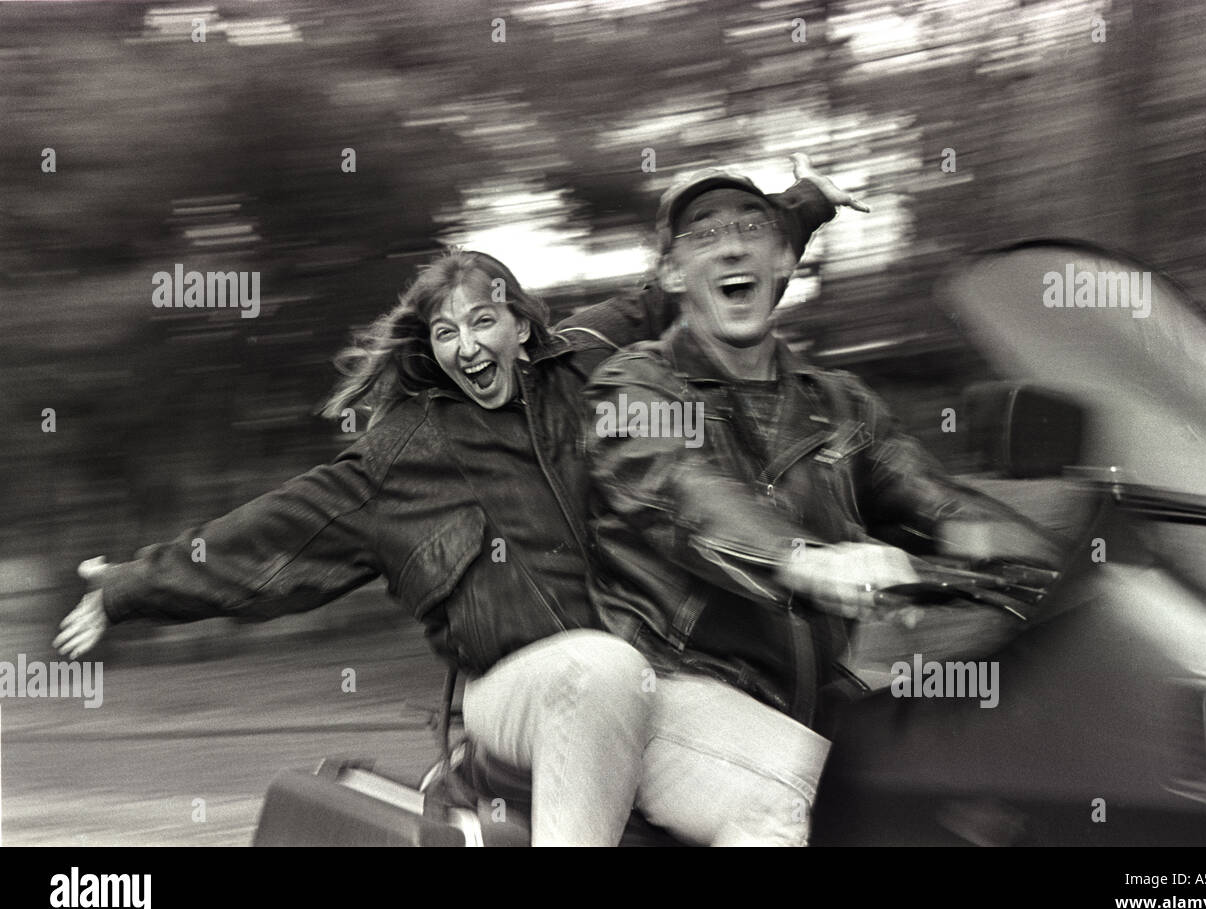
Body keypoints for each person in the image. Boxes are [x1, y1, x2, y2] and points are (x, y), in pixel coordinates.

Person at [55, 158, 866, 845]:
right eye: (448, 334)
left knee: (785, 779)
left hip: (639, 684)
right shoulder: (397, 461)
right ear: (433, 350)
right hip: (515, 693)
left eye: (484, 320)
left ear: (519, 323)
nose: (468, 343)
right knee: (602, 666)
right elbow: (260, 541)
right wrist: (127, 588)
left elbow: (689, 277)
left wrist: (805, 206)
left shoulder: (582, 367)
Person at [582, 168, 1067, 816]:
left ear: (783, 256)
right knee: (802, 798)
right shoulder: (635, 389)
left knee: (977, 791)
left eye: (752, 229)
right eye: (705, 236)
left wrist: (1040, 560)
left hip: (814, 695)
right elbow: (684, 489)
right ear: (672, 275)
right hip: (673, 693)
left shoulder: (837, 402)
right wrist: (810, 559)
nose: (732, 248)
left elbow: (933, 497)